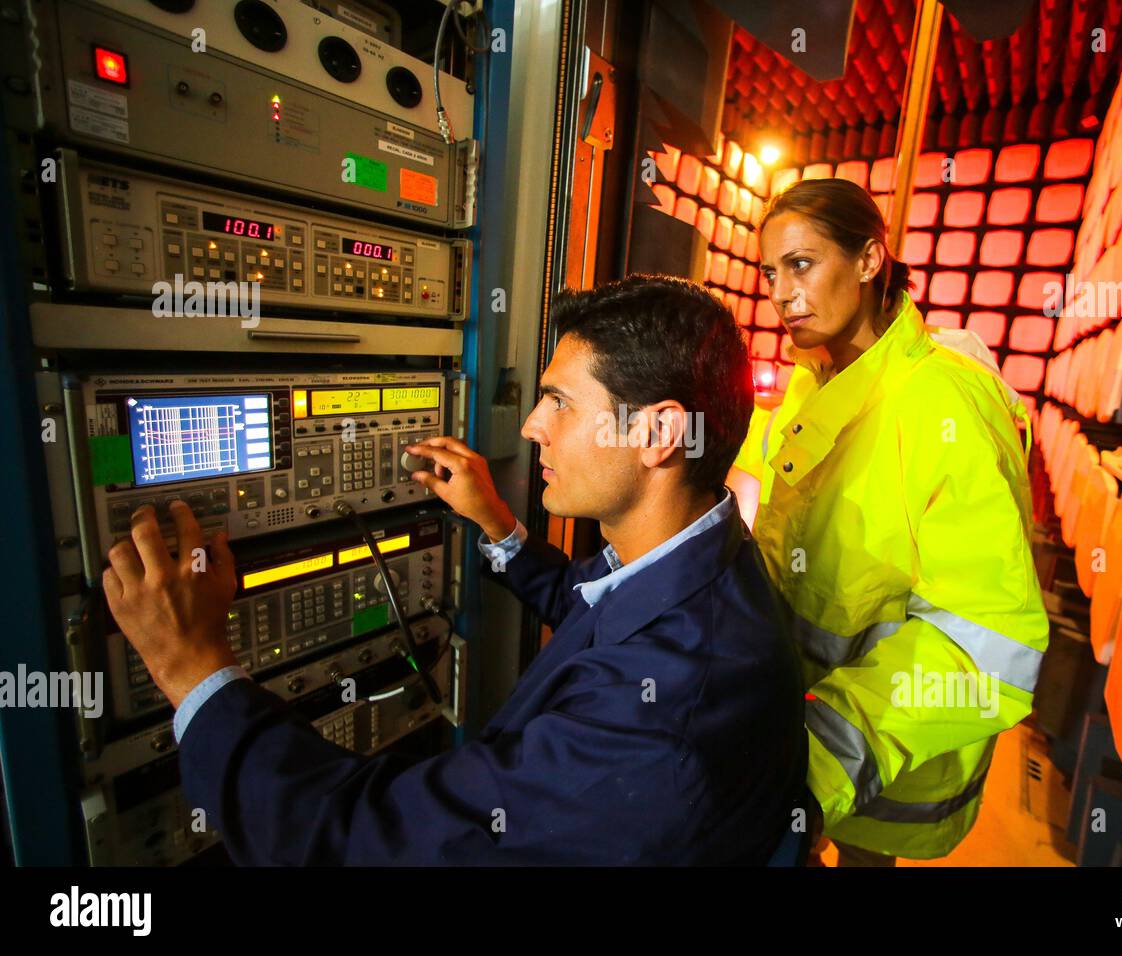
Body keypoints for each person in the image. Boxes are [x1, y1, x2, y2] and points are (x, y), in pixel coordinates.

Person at [105, 275, 807, 865]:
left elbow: (355, 843)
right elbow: (606, 621)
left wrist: (194, 668)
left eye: (559, 402)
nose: (531, 426)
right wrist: (497, 526)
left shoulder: (655, 731)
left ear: (656, 433)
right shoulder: (709, 560)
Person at [728, 178, 1049, 866]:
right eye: (770, 272)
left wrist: (826, 757)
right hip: (801, 727)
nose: (781, 293)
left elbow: (984, 638)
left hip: (882, 753)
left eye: (803, 264)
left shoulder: (945, 406)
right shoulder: (816, 380)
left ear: (871, 260)